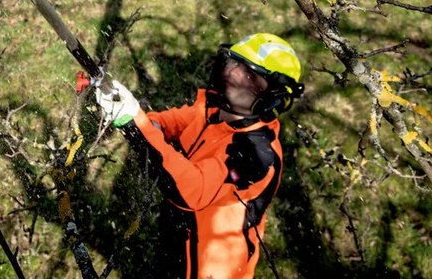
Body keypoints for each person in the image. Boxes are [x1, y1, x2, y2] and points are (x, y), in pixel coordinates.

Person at [94, 33, 305, 279]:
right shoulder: (213, 108)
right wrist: (131, 112)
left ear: (273, 99)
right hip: (179, 236)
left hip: (212, 267)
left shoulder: (257, 155)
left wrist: (134, 123)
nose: (234, 74)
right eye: (234, 64)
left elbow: (191, 190)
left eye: (250, 76)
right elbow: (168, 123)